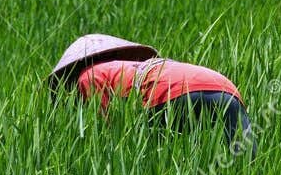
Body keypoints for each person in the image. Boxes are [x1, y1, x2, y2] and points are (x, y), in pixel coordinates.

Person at [49, 33, 254, 153]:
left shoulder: (88, 75)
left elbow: (112, 132)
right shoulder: (132, 67)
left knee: (151, 148)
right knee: (244, 165)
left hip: (170, 91)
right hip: (227, 89)